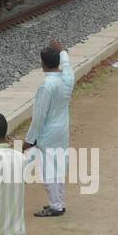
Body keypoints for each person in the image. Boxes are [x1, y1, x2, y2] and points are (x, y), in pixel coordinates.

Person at [23, 40, 73, 217]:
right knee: (58, 167)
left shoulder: (47, 86)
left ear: (43, 64)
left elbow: (39, 116)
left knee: (48, 170)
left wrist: (29, 139)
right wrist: (63, 51)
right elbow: (67, 65)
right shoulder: (67, 79)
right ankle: (59, 202)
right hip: (62, 129)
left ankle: (55, 206)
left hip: (48, 132)